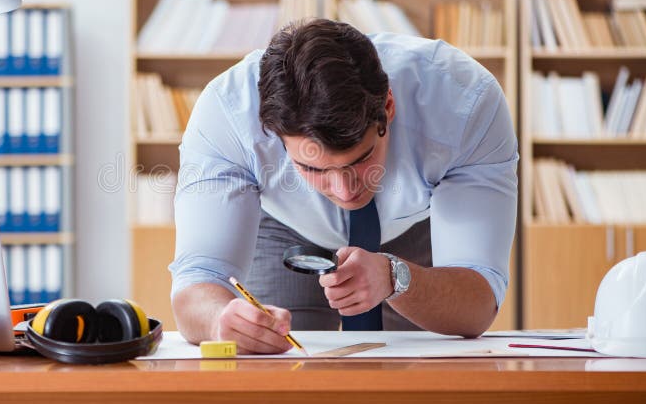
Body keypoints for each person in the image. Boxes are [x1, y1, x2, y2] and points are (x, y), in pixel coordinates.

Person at [170, 18, 518, 354]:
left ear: (388, 107)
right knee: (279, 365)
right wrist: (220, 320)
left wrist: (395, 277)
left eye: (360, 159)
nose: (344, 190)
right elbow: (199, 279)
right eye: (311, 167)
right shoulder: (226, 116)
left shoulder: (466, 104)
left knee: (419, 373)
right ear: (273, 134)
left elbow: (479, 301)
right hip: (284, 225)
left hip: (414, 222)